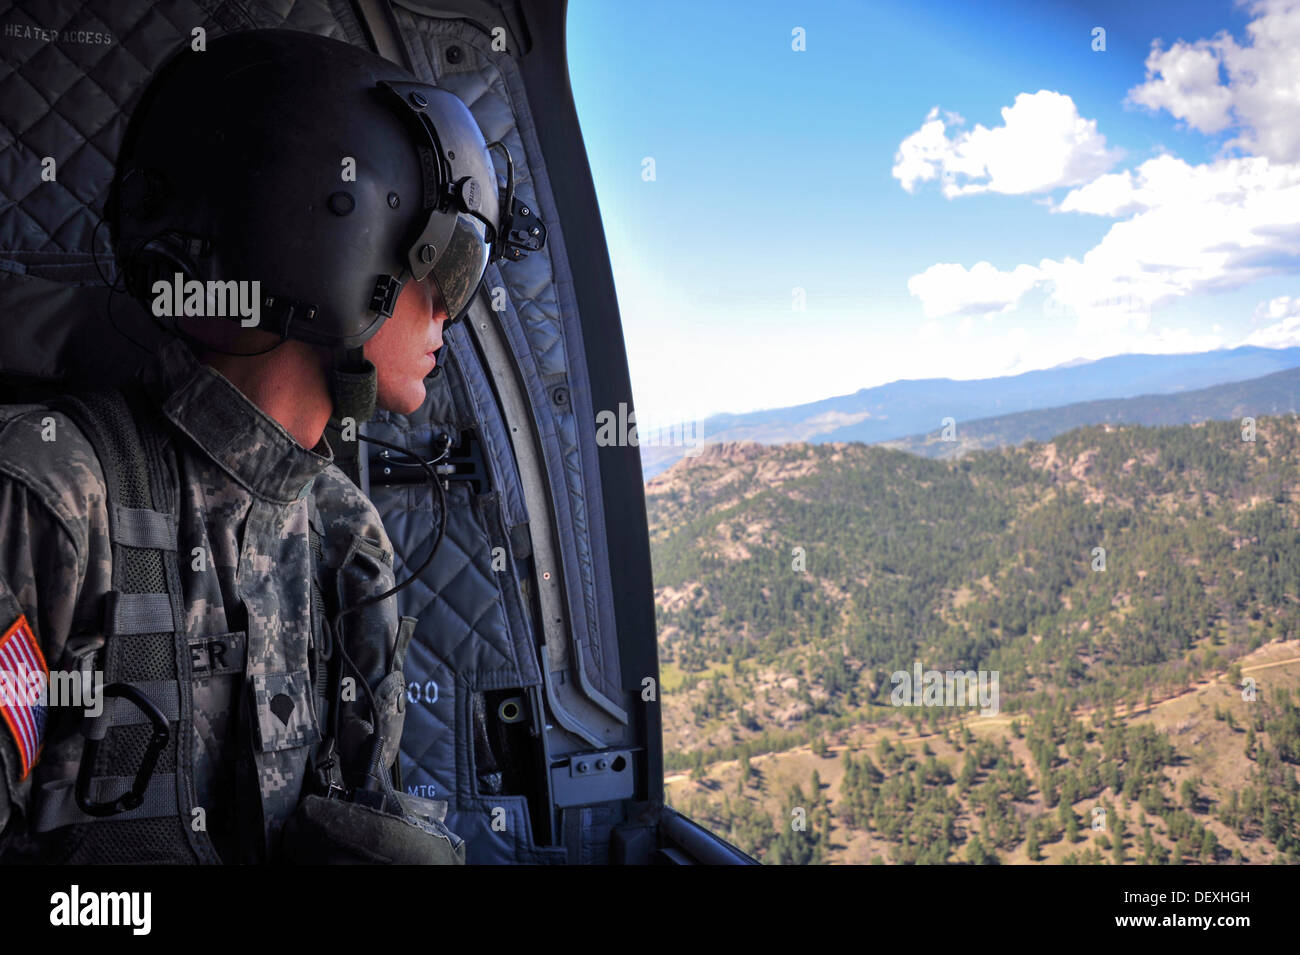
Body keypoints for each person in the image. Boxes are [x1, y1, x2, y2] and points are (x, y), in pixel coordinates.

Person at [0, 28, 514, 864]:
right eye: (446, 262)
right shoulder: (53, 498)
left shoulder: (346, 535)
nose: (449, 309)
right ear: (333, 245)